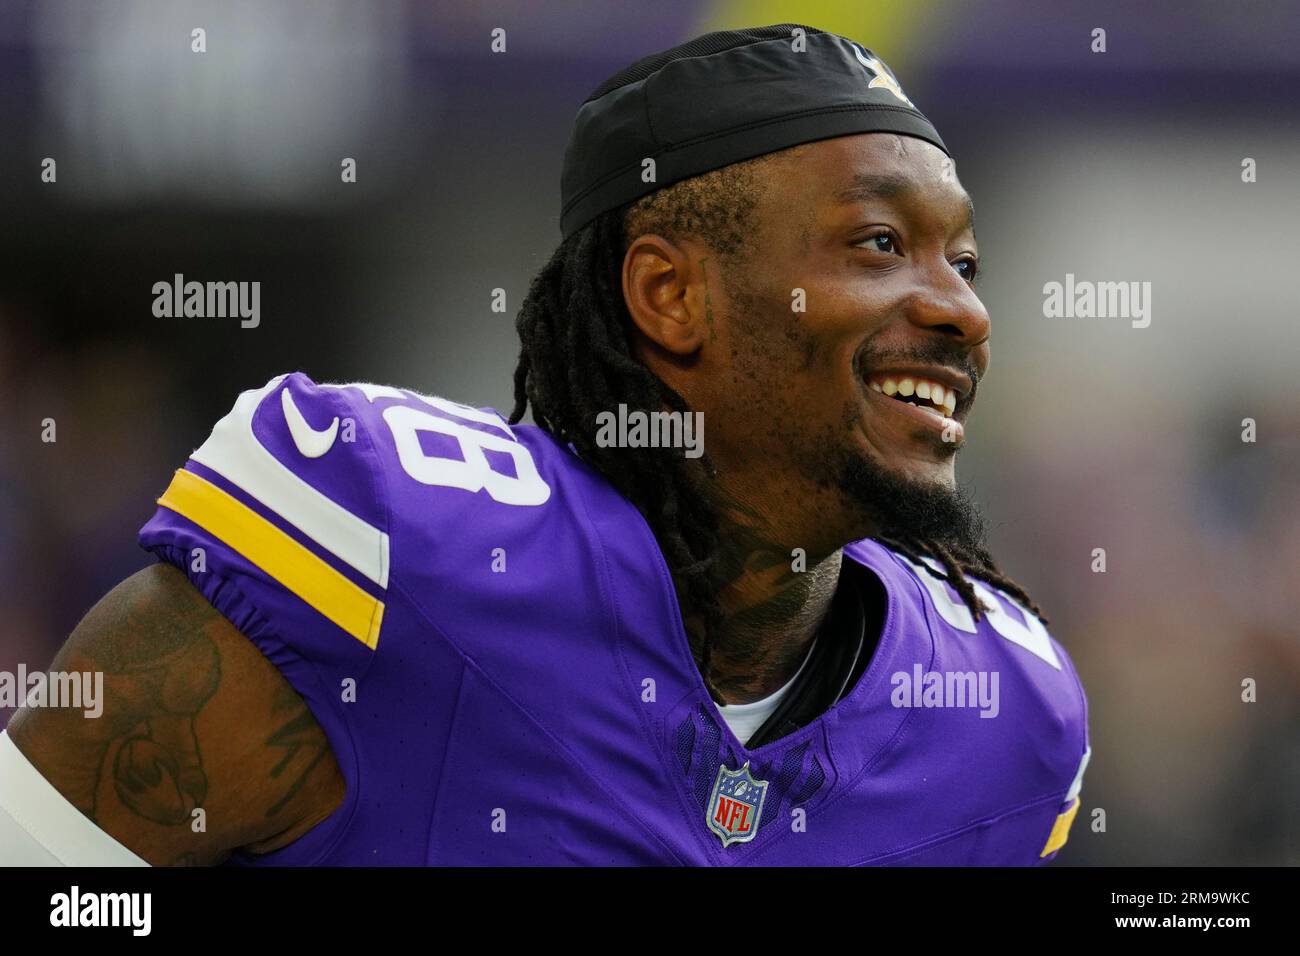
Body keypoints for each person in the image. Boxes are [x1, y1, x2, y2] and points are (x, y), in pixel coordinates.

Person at [1, 23, 1089, 866]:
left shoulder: (1001, 716)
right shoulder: (391, 549)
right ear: (671, 294)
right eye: (881, 243)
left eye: (964, 262)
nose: (960, 311)